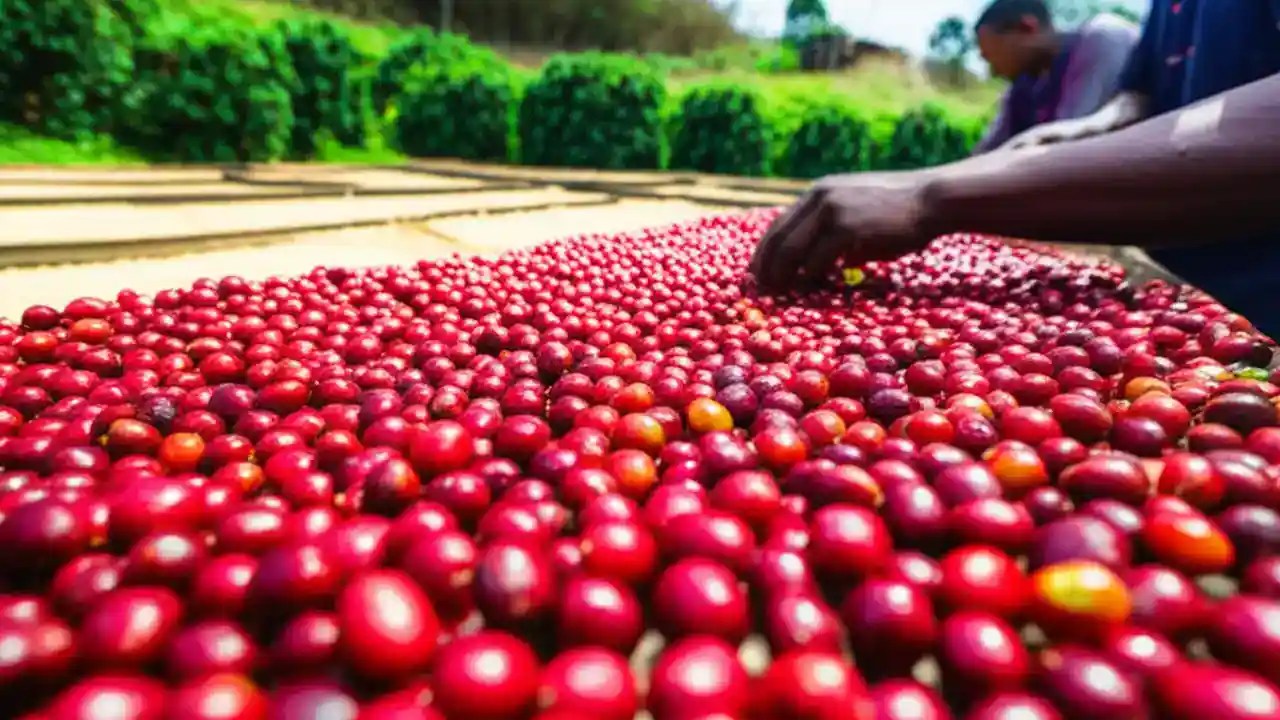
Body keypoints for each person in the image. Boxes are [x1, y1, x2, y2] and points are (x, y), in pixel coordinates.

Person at [751, 0, 1280, 338]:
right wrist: (916, 186)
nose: (985, 67)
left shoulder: (1101, 40)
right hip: (1175, 285)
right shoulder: (1154, 15)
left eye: (990, 52)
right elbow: (1135, 100)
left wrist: (930, 196)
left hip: (1260, 293)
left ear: (1026, 28)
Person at [971, 0, 1138, 154]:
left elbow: (1069, 148)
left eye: (995, 57)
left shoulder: (1103, 39)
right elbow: (987, 152)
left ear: (1028, 27)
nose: (995, 73)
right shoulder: (1026, 86)